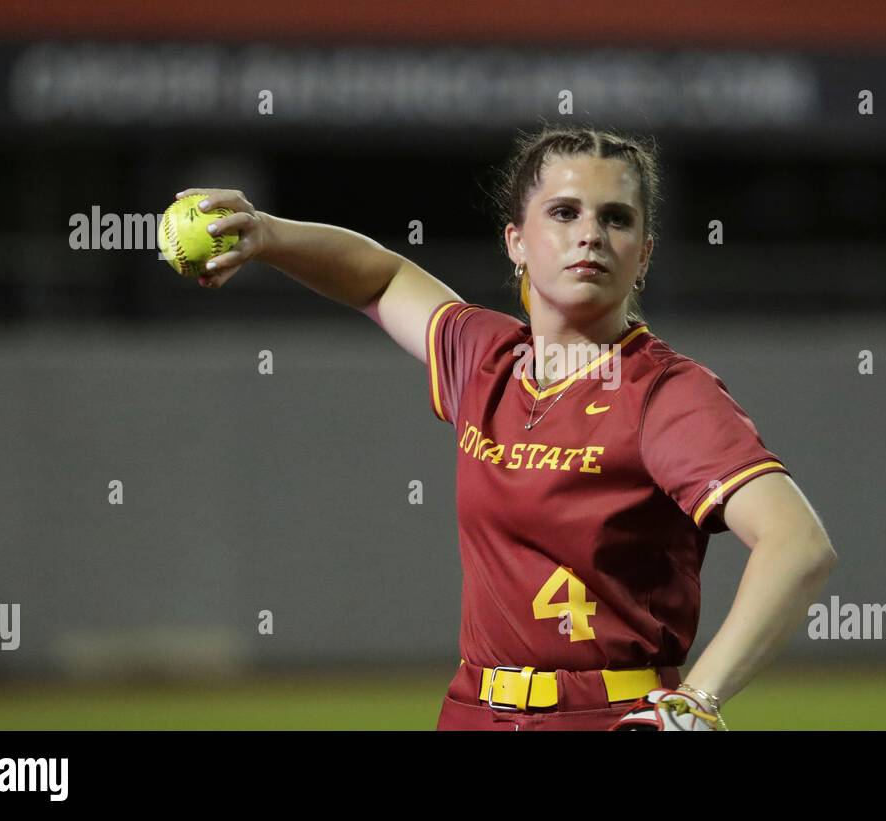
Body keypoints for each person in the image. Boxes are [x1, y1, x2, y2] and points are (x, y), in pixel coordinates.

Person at [177, 126, 836, 731]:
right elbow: (378, 278)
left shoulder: (664, 392)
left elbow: (797, 543)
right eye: (564, 212)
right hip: (473, 712)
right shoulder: (484, 358)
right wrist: (267, 233)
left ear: (644, 255)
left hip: (609, 717)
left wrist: (695, 700)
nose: (591, 234)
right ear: (515, 241)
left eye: (617, 218)